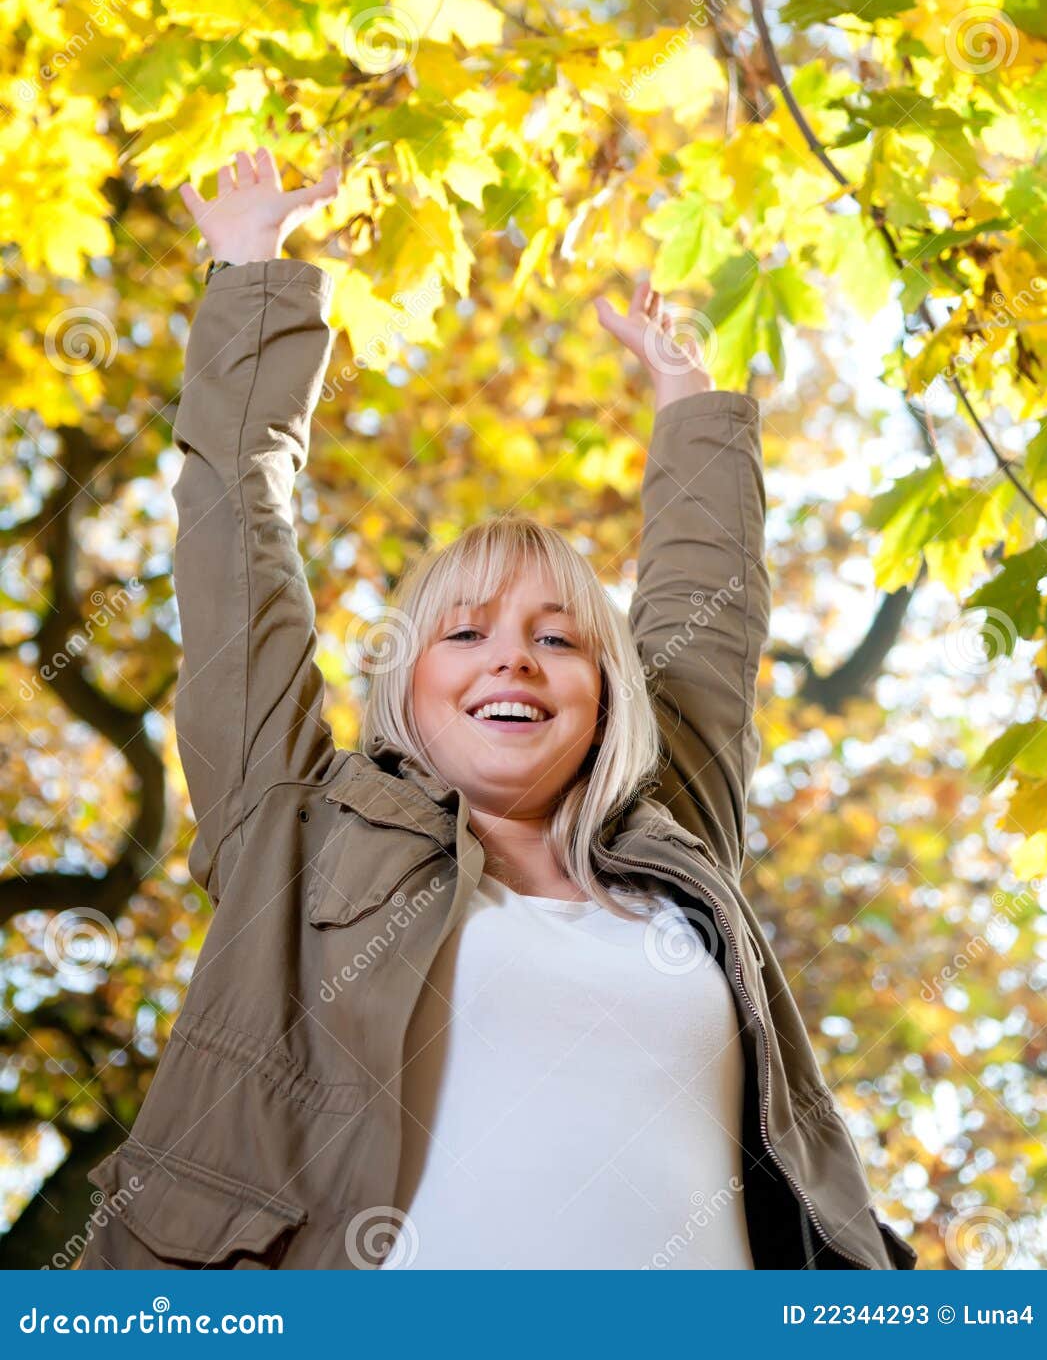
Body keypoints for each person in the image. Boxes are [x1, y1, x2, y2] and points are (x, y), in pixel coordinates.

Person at [77, 148, 916, 1271]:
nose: (511, 663)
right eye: (464, 633)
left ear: (605, 694)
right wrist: (249, 270)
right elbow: (238, 536)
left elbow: (708, 617)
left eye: (557, 639)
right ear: (404, 683)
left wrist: (692, 398)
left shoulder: (674, 842)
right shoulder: (295, 823)